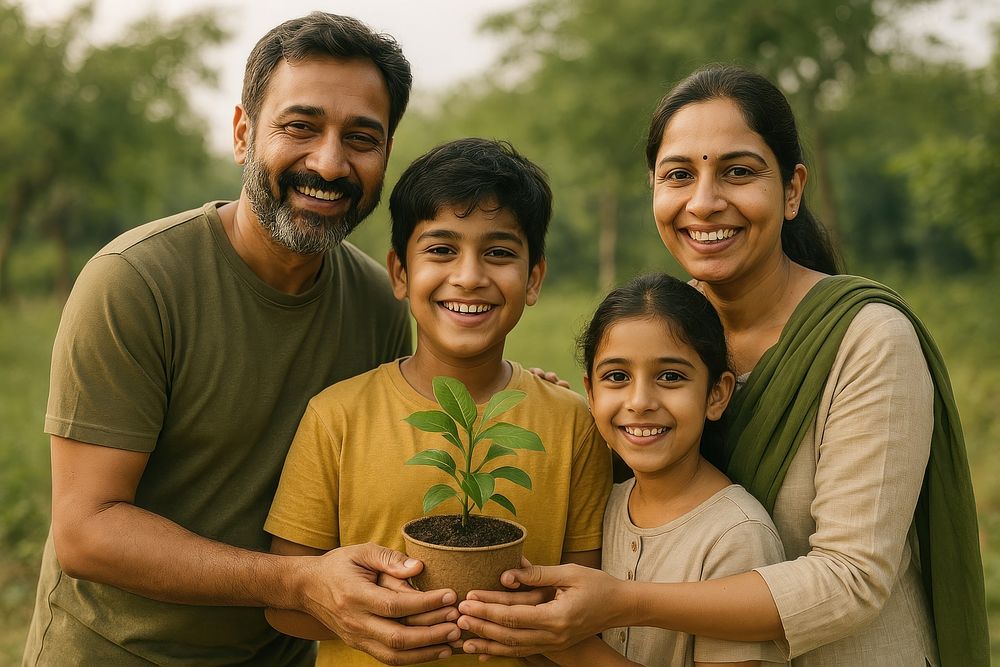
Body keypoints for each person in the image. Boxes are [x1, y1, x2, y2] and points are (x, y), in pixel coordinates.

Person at [456, 65, 988, 666]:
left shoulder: (865, 339)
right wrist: (568, 419)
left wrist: (623, 604)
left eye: (738, 172)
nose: (704, 203)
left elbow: (852, 578)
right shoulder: (670, 331)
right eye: (679, 175)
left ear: (792, 190)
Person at [23, 13, 467, 666]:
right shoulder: (135, 282)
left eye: (361, 138)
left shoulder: (377, 301)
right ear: (242, 133)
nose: (329, 162)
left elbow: (389, 450)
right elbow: (87, 532)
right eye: (300, 126)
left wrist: (517, 394)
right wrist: (297, 582)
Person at [262, 137, 613, 666]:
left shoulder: (572, 424)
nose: (469, 276)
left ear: (534, 278)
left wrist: (536, 619)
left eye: (499, 252)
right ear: (400, 273)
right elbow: (284, 605)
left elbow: (584, 603)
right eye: (441, 250)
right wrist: (365, 612)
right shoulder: (336, 417)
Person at [530, 272, 785, 667]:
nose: (640, 401)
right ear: (590, 393)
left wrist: (571, 649)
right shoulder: (602, 501)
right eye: (617, 377)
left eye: (670, 376)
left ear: (716, 394)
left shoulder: (736, 537)